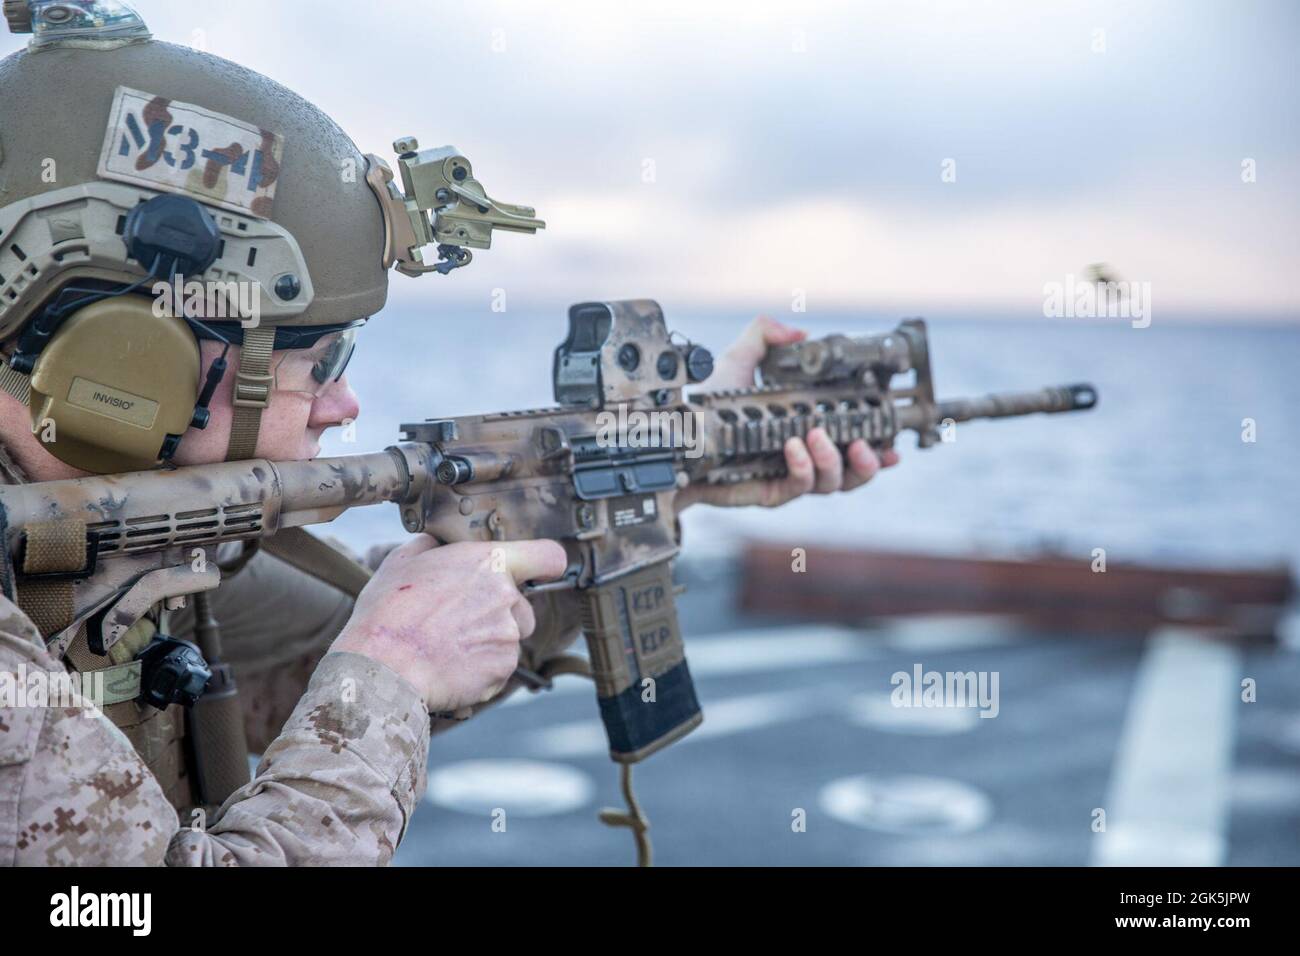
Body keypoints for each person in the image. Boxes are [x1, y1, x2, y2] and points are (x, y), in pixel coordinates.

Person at [0, 1, 897, 865]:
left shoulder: (115, 545)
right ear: (127, 366)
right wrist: (387, 664)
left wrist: (668, 473)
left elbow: (331, 685)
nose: (344, 407)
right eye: (323, 359)